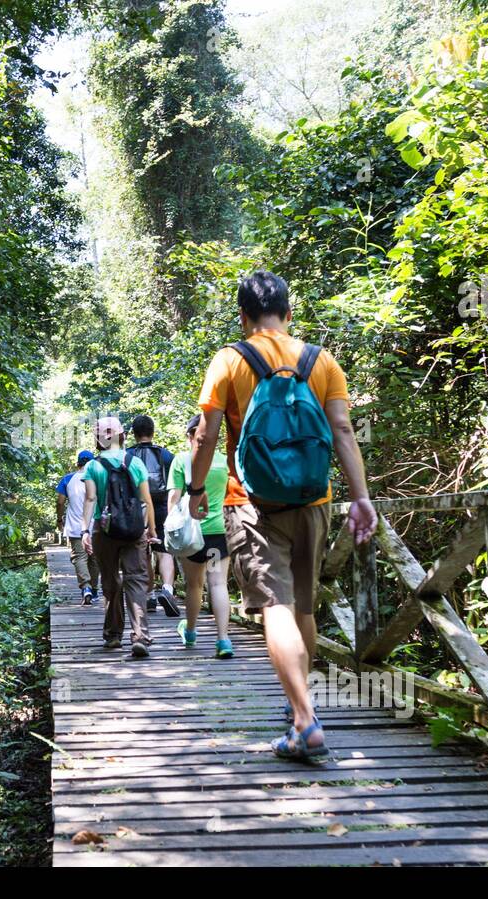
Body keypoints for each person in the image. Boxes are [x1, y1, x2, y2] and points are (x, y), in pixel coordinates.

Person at [186, 270, 376, 760]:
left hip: (253, 502)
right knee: (306, 608)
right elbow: (343, 431)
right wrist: (361, 497)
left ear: (243, 316)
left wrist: (194, 490)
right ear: (289, 314)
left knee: (275, 606)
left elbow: (206, 433)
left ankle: (305, 719)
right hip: (314, 499)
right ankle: (300, 709)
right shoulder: (322, 360)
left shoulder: (230, 359)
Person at [82, 416, 160, 658]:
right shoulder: (135, 463)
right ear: (123, 435)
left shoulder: (92, 466)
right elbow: (146, 501)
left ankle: (113, 635)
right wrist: (152, 529)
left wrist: (85, 530)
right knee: (136, 579)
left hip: (104, 531)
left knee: (110, 580)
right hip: (134, 529)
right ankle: (140, 636)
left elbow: (91, 499)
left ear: (98, 439)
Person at [168, 413, 234, 659]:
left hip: (191, 533)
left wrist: (167, 528)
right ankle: (223, 640)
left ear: (189, 435)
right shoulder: (225, 462)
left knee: (194, 585)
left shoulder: (182, 460)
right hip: (219, 532)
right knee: (218, 583)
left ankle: (192, 632)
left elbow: (173, 498)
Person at [125, 414, 178, 617]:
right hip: (163, 505)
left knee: (143, 551)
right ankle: (167, 589)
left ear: (134, 433)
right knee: (164, 550)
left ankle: (149, 596)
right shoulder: (166, 455)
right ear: (152, 431)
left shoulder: (127, 455)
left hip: (138, 507)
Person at [57, 450, 100, 604]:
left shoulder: (68, 479)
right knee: (94, 558)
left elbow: (60, 502)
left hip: (75, 526)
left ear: (77, 463)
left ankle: (86, 587)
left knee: (80, 557)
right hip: (96, 525)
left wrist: (59, 519)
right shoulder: (98, 478)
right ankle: (94, 590)